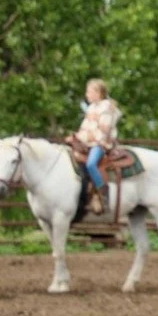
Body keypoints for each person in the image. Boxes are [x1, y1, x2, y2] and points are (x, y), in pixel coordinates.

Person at [65, 79, 120, 215]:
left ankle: (103, 191)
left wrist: (88, 138)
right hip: (88, 143)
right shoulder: (91, 108)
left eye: (89, 91)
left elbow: (104, 131)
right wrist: (76, 137)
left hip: (100, 144)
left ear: (98, 93)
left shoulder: (107, 108)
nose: (87, 94)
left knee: (91, 164)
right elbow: (85, 127)